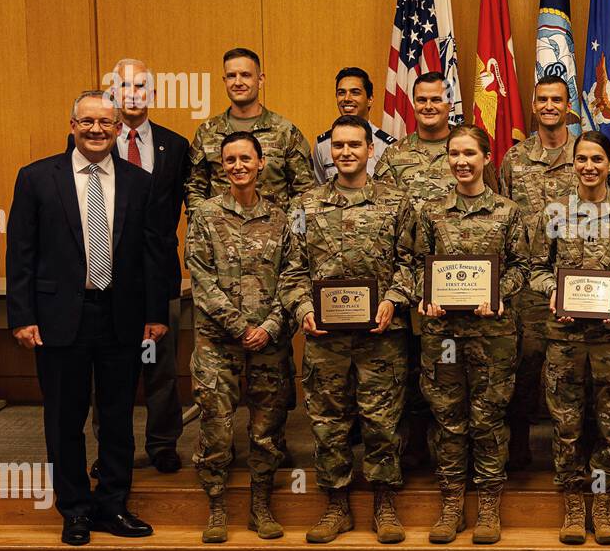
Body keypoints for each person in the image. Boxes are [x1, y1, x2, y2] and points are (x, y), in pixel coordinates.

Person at [6, 90, 169, 545]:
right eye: (87, 122)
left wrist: (157, 312)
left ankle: (113, 506)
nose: (96, 130)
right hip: (58, 318)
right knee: (64, 419)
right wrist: (22, 315)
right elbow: (20, 253)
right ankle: (75, 510)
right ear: (72, 125)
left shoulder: (140, 182)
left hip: (122, 316)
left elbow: (154, 254)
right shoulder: (37, 178)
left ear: (119, 128)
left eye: (105, 122)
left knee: (118, 418)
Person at [280, 116, 414, 544]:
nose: (346, 152)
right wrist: (303, 309)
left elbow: (413, 263)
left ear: (370, 150)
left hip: (381, 338)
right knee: (328, 423)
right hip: (325, 341)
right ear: (330, 152)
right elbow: (292, 269)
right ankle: (335, 504)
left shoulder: (397, 203)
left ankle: (384, 503)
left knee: (382, 422)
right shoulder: (303, 207)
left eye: (355, 145)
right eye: (338, 146)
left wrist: (393, 299)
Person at [406, 125, 529, 545]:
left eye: (469, 154)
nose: (461, 161)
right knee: (448, 418)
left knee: (489, 419)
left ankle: (490, 502)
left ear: (485, 158)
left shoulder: (508, 212)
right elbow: (415, 264)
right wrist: (425, 295)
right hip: (442, 334)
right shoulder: (431, 212)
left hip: (492, 332)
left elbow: (522, 268)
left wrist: (499, 294)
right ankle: (452, 501)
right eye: (454, 154)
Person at [528, 131, 610, 545]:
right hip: (565, 335)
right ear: (573, 163)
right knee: (566, 423)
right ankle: (572, 499)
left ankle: (602, 498)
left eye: (597, 159)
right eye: (581, 159)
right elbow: (536, 269)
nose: (589, 167)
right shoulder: (553, 212)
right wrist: (553, 292)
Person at [375, 72, 498, 471]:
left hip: (465, 286)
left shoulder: (466, 148)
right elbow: (382, 213)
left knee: (452, 371)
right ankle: (416, 448)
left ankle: (465, 460)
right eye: (422, 100)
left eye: (437, 100)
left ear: (450, 104)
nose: (429, 106)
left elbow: (492, 211)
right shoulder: (394, 157)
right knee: (414, 366)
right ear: (413, 104)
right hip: (411, 275)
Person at [185, 132, 293, 542]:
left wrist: (268, 327)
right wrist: (239, 326)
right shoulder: (206, 215)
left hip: (270, 340)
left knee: (267, 428)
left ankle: (260, 505)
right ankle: (216, 505)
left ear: (261, 163)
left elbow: (294, 277)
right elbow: (201, 278)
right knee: (217, 425)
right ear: (222, 167)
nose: (238, 166)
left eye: (246, 158)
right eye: (230, 160)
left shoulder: (283, 218)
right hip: (218, 341)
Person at [106, 58, 192, 474]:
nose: (133, 93)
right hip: (106, 274)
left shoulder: (174, 146)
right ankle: (112, 450)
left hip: (160, 273)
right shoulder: (96, 141)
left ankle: (162, 444)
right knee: (110, 369)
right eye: (125, 86)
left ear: (153, 94)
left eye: (141, 86)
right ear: (113, 94)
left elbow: (192, 207)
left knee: (161, 367)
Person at [498, 76, 579, 470]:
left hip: (578, 281)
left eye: (557, 100)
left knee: (575, 366)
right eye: (543, 99)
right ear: (533, 106)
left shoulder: (585, 153)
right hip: (529, 282)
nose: (549, 106)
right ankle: (519, 440)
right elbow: (504, 219)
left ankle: (576, 450)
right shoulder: (514, 160)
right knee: (525, 362)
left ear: (569, 105)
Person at [185, 47, 315, 214]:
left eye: (245, 75)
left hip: (273, 235)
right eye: (231, 76)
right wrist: (205, 226)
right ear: (224, 81)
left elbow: (304, 190)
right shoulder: (208, 132)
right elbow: (194, 188)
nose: (238, 82)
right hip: (221, 235)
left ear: (260, 80)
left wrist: (287, 230)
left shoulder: (285, 131)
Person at [311, 67, 398, 184]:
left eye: (355, 92)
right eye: (341, 93)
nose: (347, 98)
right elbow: (320, 190)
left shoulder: (388, 146)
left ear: (370, 99)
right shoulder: (323, 145)